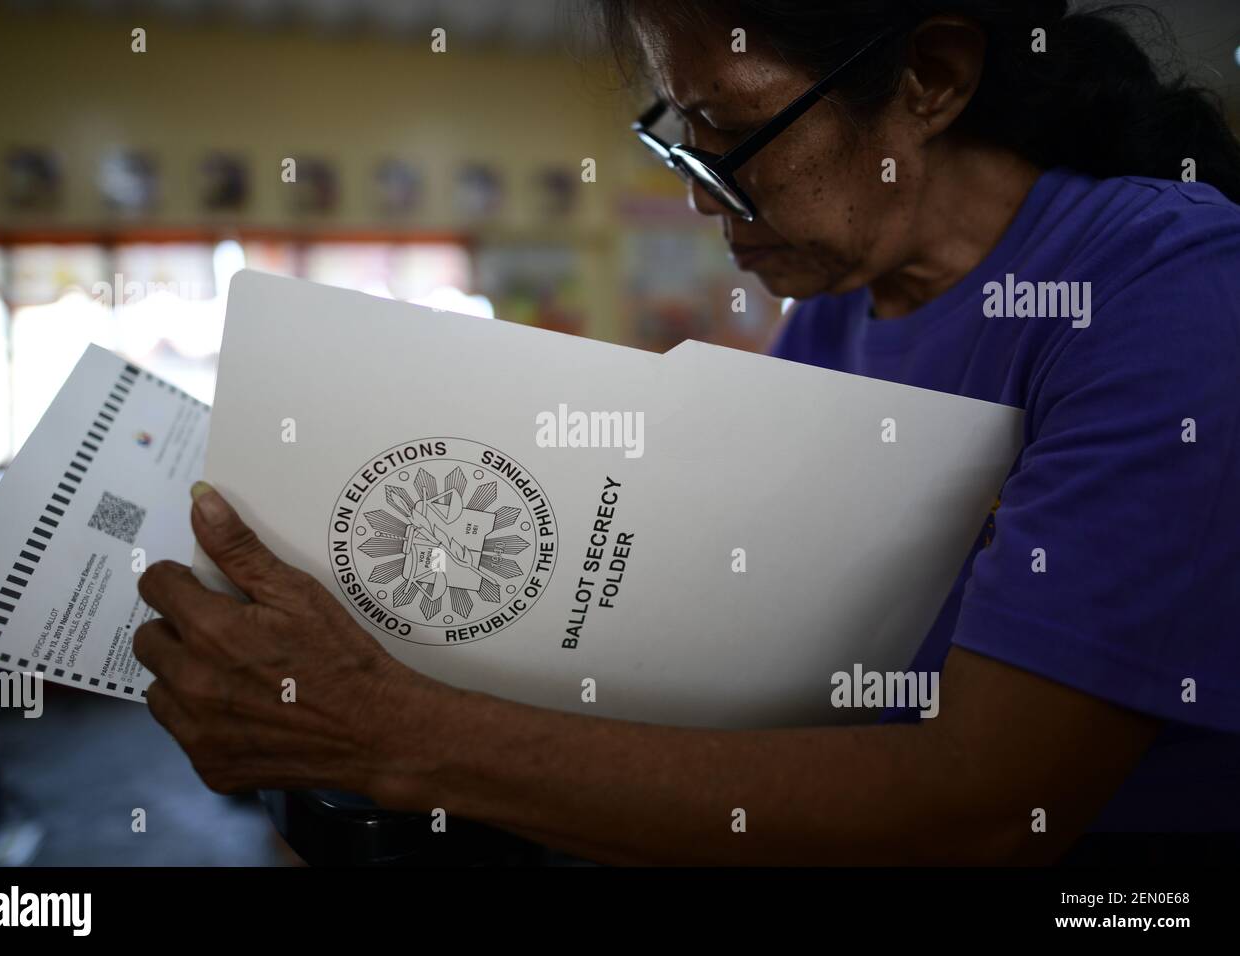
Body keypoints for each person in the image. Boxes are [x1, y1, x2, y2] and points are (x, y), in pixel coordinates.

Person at [133, 0, 1240, 865]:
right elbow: (767, 671)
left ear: (931, 79)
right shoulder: (837, 316)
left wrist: (385, 728)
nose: (707, 202)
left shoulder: (1164, 280)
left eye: (734, 129)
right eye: (681, 137)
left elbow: (994, 806)